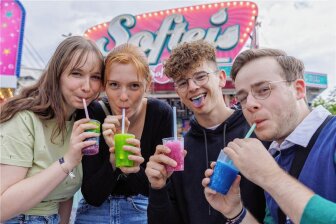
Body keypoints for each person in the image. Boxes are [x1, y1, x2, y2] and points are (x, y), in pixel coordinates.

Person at [202, 48, 336, 224]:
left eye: (264, 89)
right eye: (242, 98)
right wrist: (235, 212)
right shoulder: (276, 155)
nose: (249, 104)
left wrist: (271, 177)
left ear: (298, 89)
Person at [145, 40, 269, 224]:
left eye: (200, 76)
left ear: (220, 78)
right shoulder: (178, 153)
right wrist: (157, 188)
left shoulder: (257, 133)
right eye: (182, 82)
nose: (193, 87)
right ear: (178, 91)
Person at [0, 36, 104, 223]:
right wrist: (67, 161)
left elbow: (64, 195)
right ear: (57, 75)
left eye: (95, 77)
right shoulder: (24, 119)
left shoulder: (79, 121)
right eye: (76, 74)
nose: (87, 87)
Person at [74, 43, 173, 224]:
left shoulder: (160, 114)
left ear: (147, 84)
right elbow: (92, 195)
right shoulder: (93, 114)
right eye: (114, 85)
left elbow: (152, 189)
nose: (124, 96)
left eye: (134, 86)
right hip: (94, 211)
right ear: (104, 86)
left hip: (142, 208)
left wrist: (128, 160)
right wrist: (113, 159)